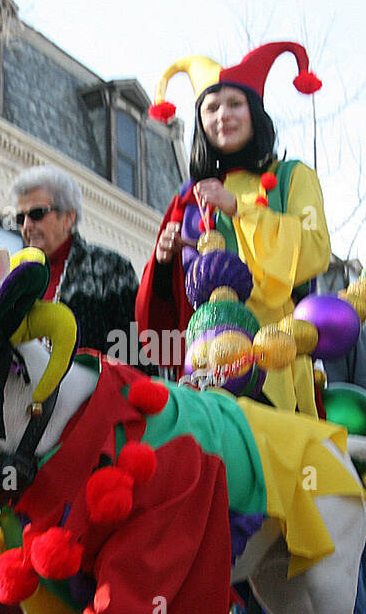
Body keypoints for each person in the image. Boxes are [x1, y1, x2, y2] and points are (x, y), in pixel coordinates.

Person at [137, 42, 331, 413]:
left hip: (275, 359)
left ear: (255, 113)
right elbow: (162, 319)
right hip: (204, 369)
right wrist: (164, 263)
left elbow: (315, 253)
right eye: (211, 107)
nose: (222, 115)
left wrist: (238, 208)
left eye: (234, 104)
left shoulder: (292, 177)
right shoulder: (187, 197)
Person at [8, 165, 138, 358]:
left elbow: (135, 354)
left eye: (37, 214)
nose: (27, 225)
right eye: (20, 218)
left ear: (69, 217)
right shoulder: (13, 280)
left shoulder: (110, 269)